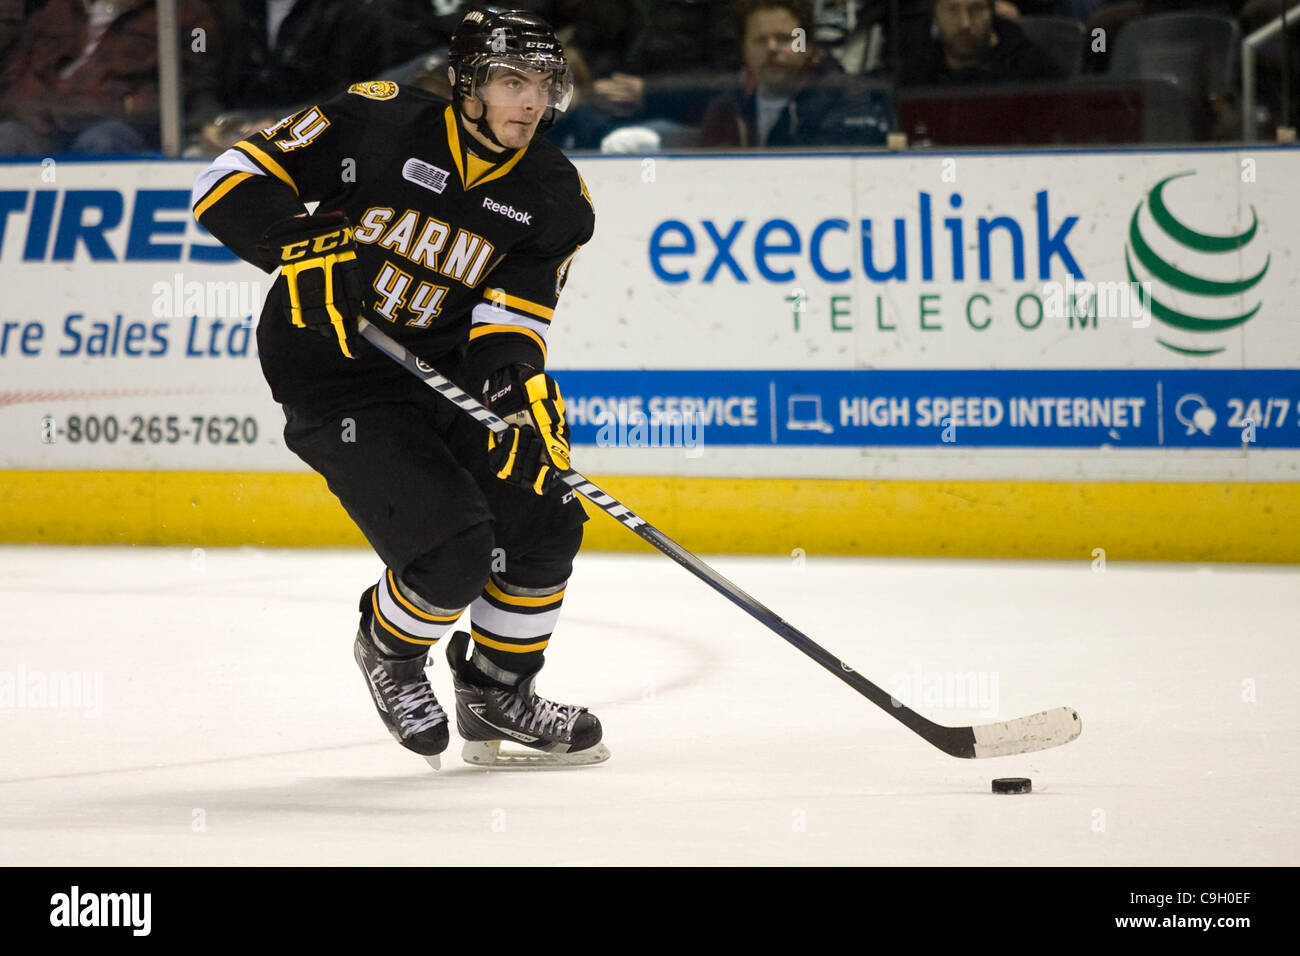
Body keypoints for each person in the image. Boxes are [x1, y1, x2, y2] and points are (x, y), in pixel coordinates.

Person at [190, 8, 606, 769]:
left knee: (545, 513)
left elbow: (511, 319)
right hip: (335, 372)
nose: (531, 103)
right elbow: (224, 181)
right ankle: (389, 651)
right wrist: (298, 242)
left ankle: (495, 695)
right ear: (465, 85)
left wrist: (518, 392)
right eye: (513, 81)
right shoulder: (375, 118)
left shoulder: (555, 194)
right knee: (454, 550)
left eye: (543, 84)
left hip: (446, 377)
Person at [699, 0, 890, 147]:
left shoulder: (843, 100)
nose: (772, 48)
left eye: (784, 38)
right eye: (760, 40)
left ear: (807, 46)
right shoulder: (724, 109)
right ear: (744, 49)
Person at [899, 0, 1062, 86]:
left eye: (976, 9)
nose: (965, 24)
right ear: (934, 16)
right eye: (952, 10)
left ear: (992, 13)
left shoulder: (1032, 70)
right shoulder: (913, 75)